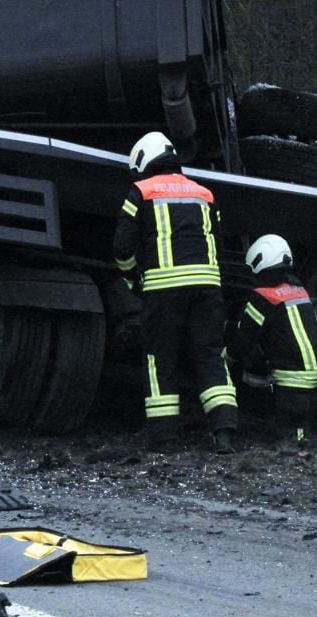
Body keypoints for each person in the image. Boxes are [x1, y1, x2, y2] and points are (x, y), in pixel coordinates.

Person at [113, 131, 238, 453]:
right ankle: (223, 433)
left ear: (144, 161)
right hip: (207, 289)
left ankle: (165, 439)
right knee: (210, 356)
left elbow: (122, 247)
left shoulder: (141, 191)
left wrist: (133, 279)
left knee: (160, 359)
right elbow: (219, 245)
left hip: (163, 291)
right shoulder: (204, 194)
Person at [224, 234, 317, 436]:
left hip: (294, 375)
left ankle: (300, 441)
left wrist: (227, 357)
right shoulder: (298, 288)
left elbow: (246, 337)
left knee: (289, 434)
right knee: (299, 423)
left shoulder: (263, 298)